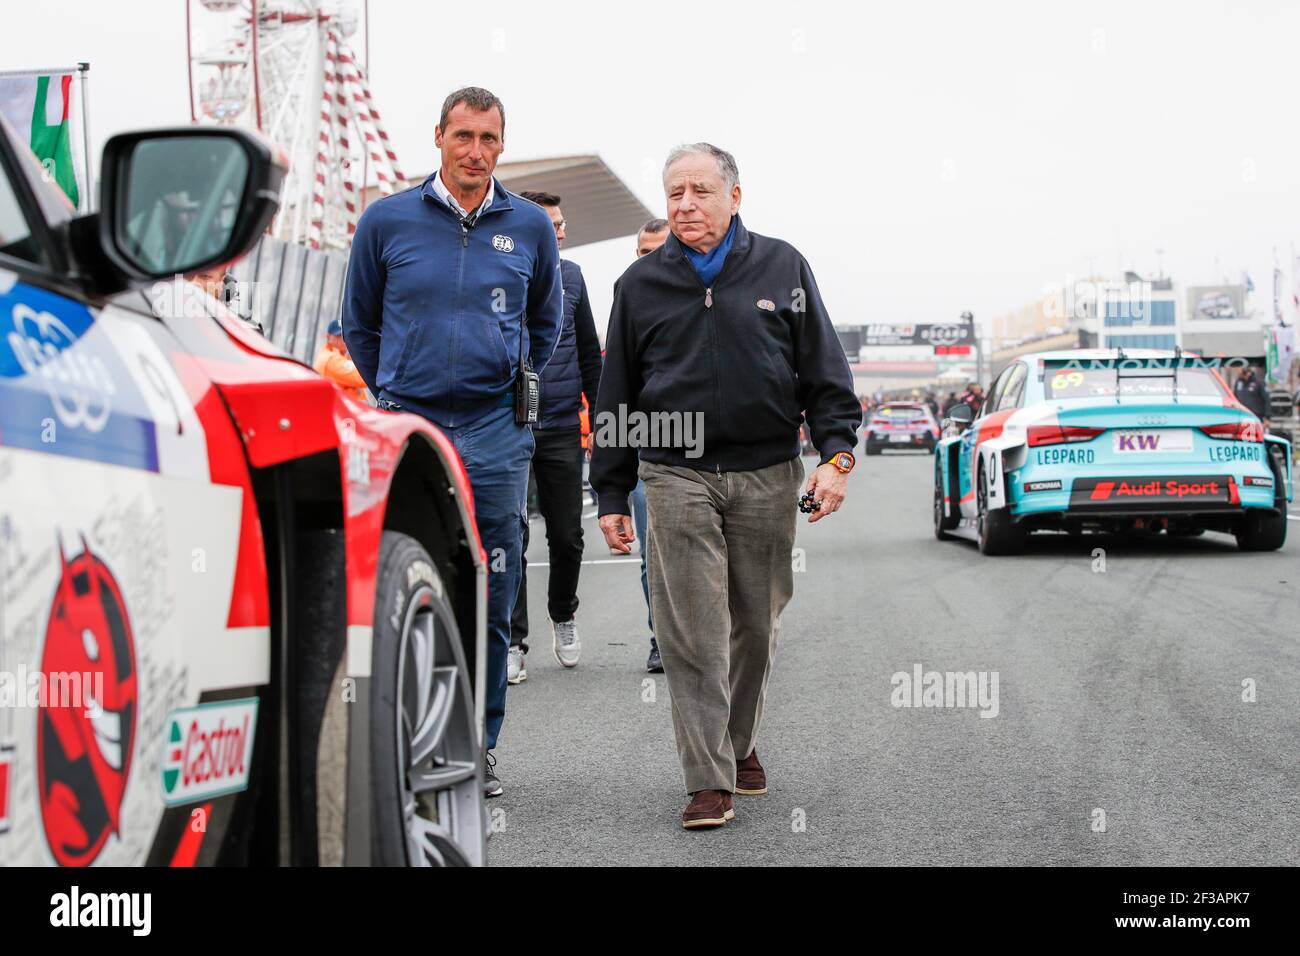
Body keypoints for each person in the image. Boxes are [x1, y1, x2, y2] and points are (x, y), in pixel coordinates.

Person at [590, 143, 861, 829]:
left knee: (755, 622)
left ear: (734, 197)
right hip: (673, 471)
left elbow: (823, 370)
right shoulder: (640, 285)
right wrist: (613, 494)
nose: (686, 205)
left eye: (701, 191)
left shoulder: (783, 265)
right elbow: (616, 392)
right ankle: (708, 777)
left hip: (768, 470)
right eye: (675, 192)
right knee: (692, 630)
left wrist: (836, 456)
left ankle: (740, 744)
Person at [343, 87, 562, 798]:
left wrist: (502, 377)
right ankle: (411, 738)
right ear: (437, 136)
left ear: (503, 145)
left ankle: (479, 742)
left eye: (489, 139)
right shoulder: (386, 221)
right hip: (410, 425)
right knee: (409, 579)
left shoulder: (529, 227)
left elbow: (544, 324)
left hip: (496, 429)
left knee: (490, 590)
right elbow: (362, 324)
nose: (475, 152)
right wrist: (397, 390)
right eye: (463, 136)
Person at [507, 191, 603, 684]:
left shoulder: (573, 278)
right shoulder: (498, 275)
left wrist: (604, 423)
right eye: (551, 224)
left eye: (562, 224)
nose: (560, 231)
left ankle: (563, 615)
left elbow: (590, 353)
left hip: (563, 425)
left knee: (568, 535)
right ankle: (512, 639)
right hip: (508, 427)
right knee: (510, 536)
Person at [629, 217, 670, 673]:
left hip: (709, 453)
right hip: (646, 448)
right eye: (643, 252)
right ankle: (661, 637)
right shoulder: (630, 295)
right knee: (653, 552)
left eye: (660, 250)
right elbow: (614, 387)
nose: (651, 260)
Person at [313, 318, 368, 401]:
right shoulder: (330, 360)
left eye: (345, 335)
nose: (343, 340)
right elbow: (364, 377)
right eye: (338, 336)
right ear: (328, 337)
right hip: (341, 411)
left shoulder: (341, 355)